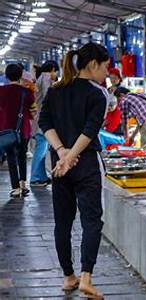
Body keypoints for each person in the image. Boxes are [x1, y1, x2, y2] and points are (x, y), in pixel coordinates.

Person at [38, 42, 109, 299]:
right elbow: (90, 131)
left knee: (63, 222)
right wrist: (71, 155)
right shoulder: (97, 94)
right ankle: (86, 278)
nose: (106, 73)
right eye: (105, 67)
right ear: (93, 65)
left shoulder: (56, 91)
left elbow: (43, 121)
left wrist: (62, 153)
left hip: (60, 167)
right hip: (86, 164)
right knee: (92, 220)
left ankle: (69, 276)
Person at [0, 64, 35, 197]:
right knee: (22, 156)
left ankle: (15, 188)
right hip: (23, 128)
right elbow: (32, 109)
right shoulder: (26, 92)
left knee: (11, 158)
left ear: (7, 76)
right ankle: (23, 184)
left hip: (6, 130)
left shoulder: (1, 91)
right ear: (21, 75)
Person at [30, 60, 59, 187]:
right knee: (41, 148)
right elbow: (50, 95)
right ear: (52, 69)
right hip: (43, 120)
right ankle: (35, 178)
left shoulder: (41, 77)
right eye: (56, 71)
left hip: (39, 119)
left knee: (41, 147)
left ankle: (41, 176)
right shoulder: (46, 77)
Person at [114, 87, 146, 152]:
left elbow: (124, 121)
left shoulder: (124, 100)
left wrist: (126, 137)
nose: (118, 101)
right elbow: (141, 123)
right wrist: (132, 137)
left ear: (121, 94)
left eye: (117, 98)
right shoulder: (142, 95)